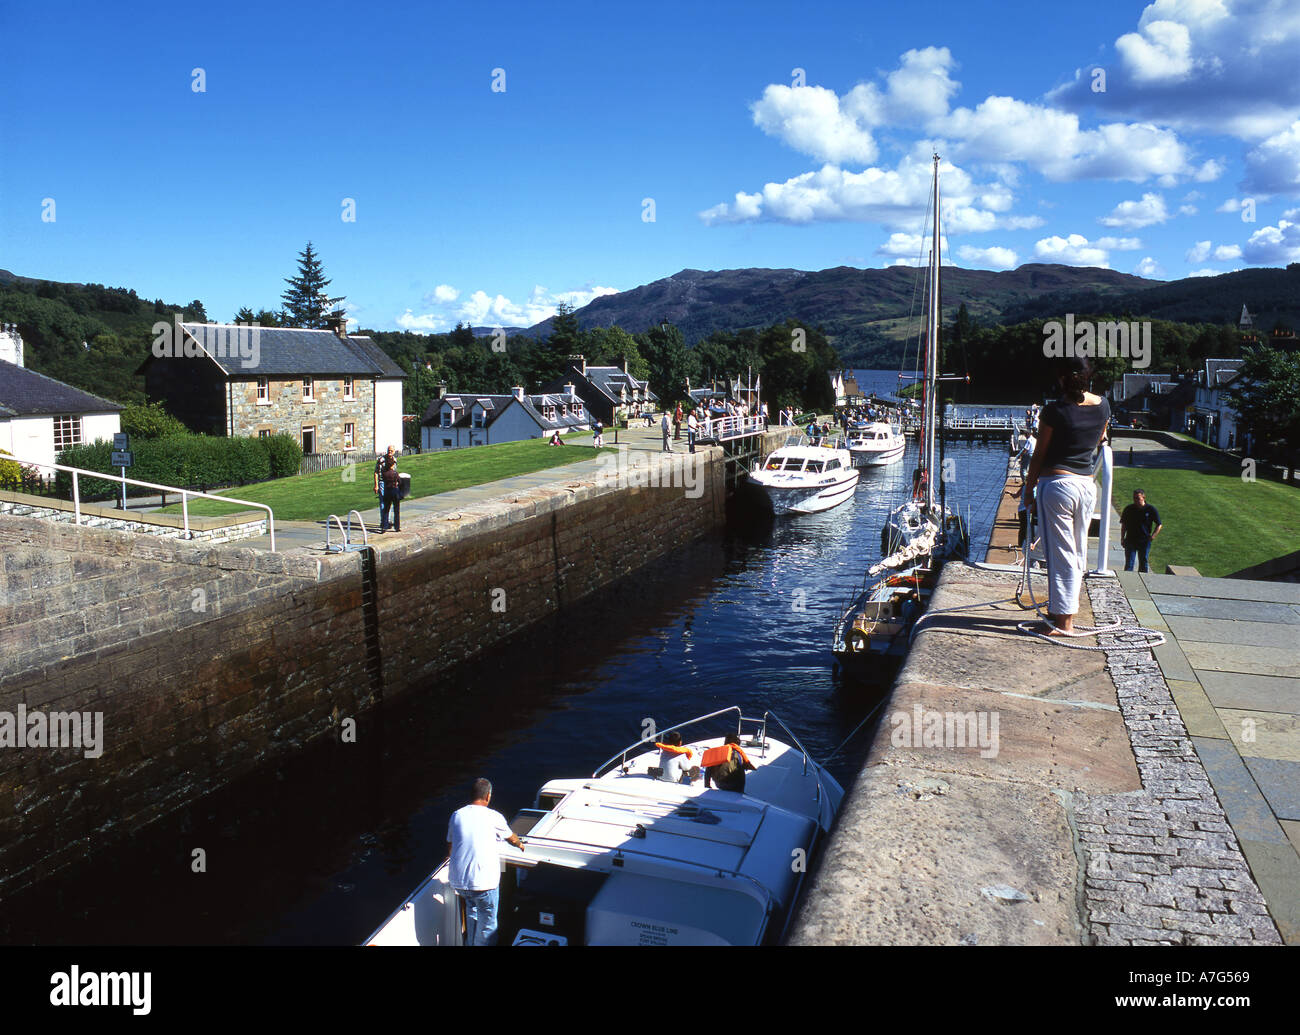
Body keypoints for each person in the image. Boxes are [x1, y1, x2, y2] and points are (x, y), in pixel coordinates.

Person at [1023, 356, 1111, 635]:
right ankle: (1061, 614)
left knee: (1059, 554)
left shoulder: (1054, 411)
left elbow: (1039, 455)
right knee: (1077, 551)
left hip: (1057, 485)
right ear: (1088, 377)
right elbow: (1100, 438)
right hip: (1086, 487)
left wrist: (1028, 490)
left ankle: (1063, 623)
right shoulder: (1104, 405)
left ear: (1061, 378)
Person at [446, 778, 525, 946]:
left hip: (459, 882)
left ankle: (470, 943)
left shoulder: (457, 815)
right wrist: (520, 845)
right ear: (488, 796)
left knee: (472, 911)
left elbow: (451, 848)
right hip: (483, 884)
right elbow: (511, 838)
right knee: (488, 925)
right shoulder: (494, 816)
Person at [1120, 489, 1163, 573]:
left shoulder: (1150, 509)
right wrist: (1122, 538)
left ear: (1143, 497)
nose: (1136, 500)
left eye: (1138, 498)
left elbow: (1159, 524)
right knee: (1129, 563)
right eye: (1134, 498)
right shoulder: (1129, 509)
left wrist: (1153, 536)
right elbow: (1124, 525)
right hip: (1130, 539)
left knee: (1143, 563)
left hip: (1144, 540)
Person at [373, 445, 401, 533]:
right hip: (382, 482)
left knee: (388, 504)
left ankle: (386, 522)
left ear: (394, 451)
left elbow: (395, 473)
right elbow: (376, 473)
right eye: (389, 450)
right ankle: (384, 522)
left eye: (391, 451)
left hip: (391, 485)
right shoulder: (381, 460)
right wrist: (376, 485)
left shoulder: (395, 460)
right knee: (383, 503)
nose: (390, 452)